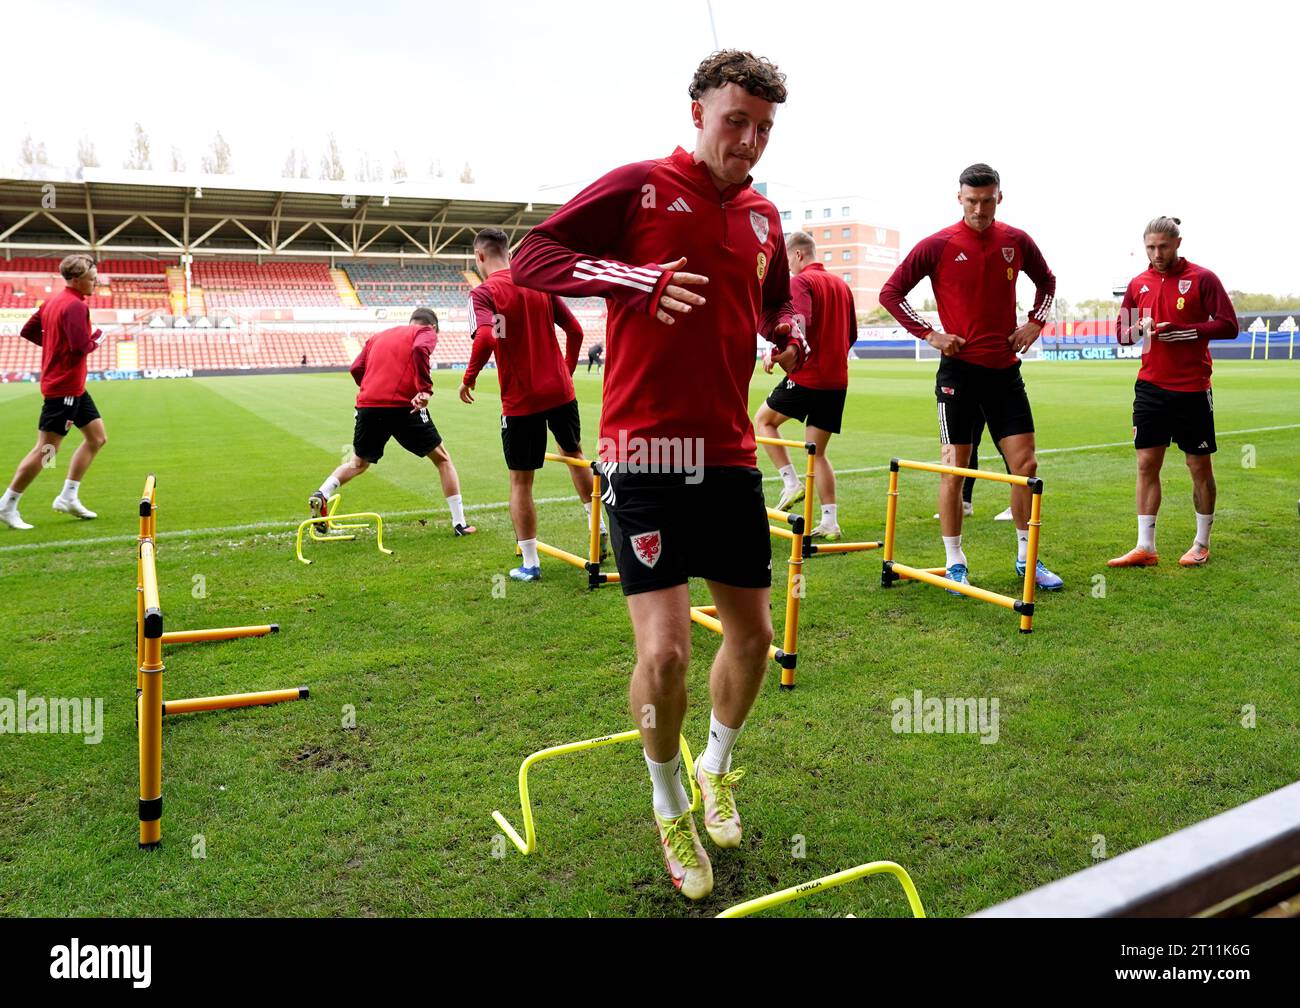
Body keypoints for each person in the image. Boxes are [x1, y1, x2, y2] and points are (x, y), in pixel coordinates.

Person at [511, 49, 806, 901]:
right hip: (643, 454)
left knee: (754, 639)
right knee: (668, 651)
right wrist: (633, 278)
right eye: (734, 122)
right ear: (697, 113)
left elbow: (773, 299)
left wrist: (783, 332)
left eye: (763, 129)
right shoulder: (639, 187)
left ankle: (715, 766)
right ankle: (667, 797)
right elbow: (533, 258)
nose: (748, 142)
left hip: (730, 455)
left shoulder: (762, 218)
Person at [880, 163, 1064, 593]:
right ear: (959, 198)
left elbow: (1048, 281)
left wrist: (1035, 322)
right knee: (955, 471)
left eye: (987, 200)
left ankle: (1027, 557)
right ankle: (954, 561)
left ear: (999, 196)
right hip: (958, 374)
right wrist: (931, 334)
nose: (979, 209)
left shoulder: (1016, 241)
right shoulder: (938, 244)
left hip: (1004, 372)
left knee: (1026, 467)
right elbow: (891, 293)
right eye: (971, 201)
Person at [458, 227, 604, 581]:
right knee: (574, 454)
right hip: (559, 392)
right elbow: (576, 331)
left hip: (522, 399)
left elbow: (488, 337)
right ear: (507, 252)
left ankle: (530, 562)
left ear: (479, 257)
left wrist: (470, 376)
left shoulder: (483, 292)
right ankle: (597, 533)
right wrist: (565, 370)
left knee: (521, 481)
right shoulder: (538, 282)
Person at [1108, 217, 1238, 569]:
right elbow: (1121, 334)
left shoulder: (1201, 278)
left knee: (1198, 466)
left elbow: (1229, 324)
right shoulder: (1139, 283)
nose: (1156, 254)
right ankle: (1145, 547)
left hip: (1192, 388)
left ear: (1178, 242)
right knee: (1147, 463)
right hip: (1150, 386)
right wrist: (1138, 327)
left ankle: (1201, 542)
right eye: (1150, 247)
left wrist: (1186, 331)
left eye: (1163, 246)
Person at [308, 308, 476, 535]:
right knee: (443, 460)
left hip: (368, 405)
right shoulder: (425, 331)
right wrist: (424, 390)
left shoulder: (378, 336)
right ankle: (459, 523)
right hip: (403, 406)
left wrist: (372, 390)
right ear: (433, 327)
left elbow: (356, 368)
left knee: (358, 463)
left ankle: (322, 493)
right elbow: (419, 348)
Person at [754, 230, 855, 539]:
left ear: (797, 255)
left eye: (787, 261)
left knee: (763, 421)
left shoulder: (801, 282)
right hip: (837, 382)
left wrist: (777, 352)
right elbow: (852, 335)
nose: (787, 269)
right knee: (818, 453)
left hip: (808, 376)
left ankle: (790, 482)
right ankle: (830, 521)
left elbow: (798, 323)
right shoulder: (841, 285)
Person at [1, 254, 108, 530]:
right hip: (64, 390)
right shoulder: (74, 306)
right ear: (76, 278)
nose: (95, 283)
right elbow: (79, 347)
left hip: (74, 388)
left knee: (97, 438)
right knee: (46, 451)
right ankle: (7, 504)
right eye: (91, 279)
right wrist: (97, 338)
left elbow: (29, 331)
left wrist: (54, 345)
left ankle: (68, 497)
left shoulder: (52, 301)